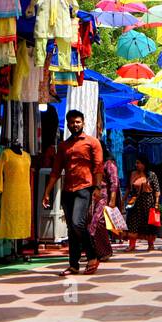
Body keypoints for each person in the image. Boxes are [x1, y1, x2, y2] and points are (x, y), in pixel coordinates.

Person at [42, 109, 104, 276]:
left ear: (83, 123)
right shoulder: (63, 146)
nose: (75, 125)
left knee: (78, 223)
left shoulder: (93, 142)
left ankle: (92, 256)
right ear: (67, 124)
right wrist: (47, 192)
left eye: (78, 122)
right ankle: (73, 265)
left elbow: (98, 167)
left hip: (85, 188)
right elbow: (56, 171)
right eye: (71, 122)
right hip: (67, 190)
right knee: (71, 228)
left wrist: (97, 188)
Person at [86, 148, 120, 263]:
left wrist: (113, 200)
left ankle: (105, 251)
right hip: (91, 195)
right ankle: (94, 252)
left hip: (104, 196)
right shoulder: (92, 163)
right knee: (89, 222)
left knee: (98, 221)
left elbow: (114, 182)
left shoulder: (109, 164)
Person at [125, 155, 161, 252]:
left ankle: (150, 244)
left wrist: (157, 204)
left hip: (147, 202)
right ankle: (132, 245)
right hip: (134, 201)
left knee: (148, 223)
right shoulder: (132, 174)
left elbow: (157, 190)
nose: (136, 165)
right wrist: (123, 200)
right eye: (136, 163)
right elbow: (129, 188)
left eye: (138, 163)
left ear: (144, 164)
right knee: (132, 222)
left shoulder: (151, 175)